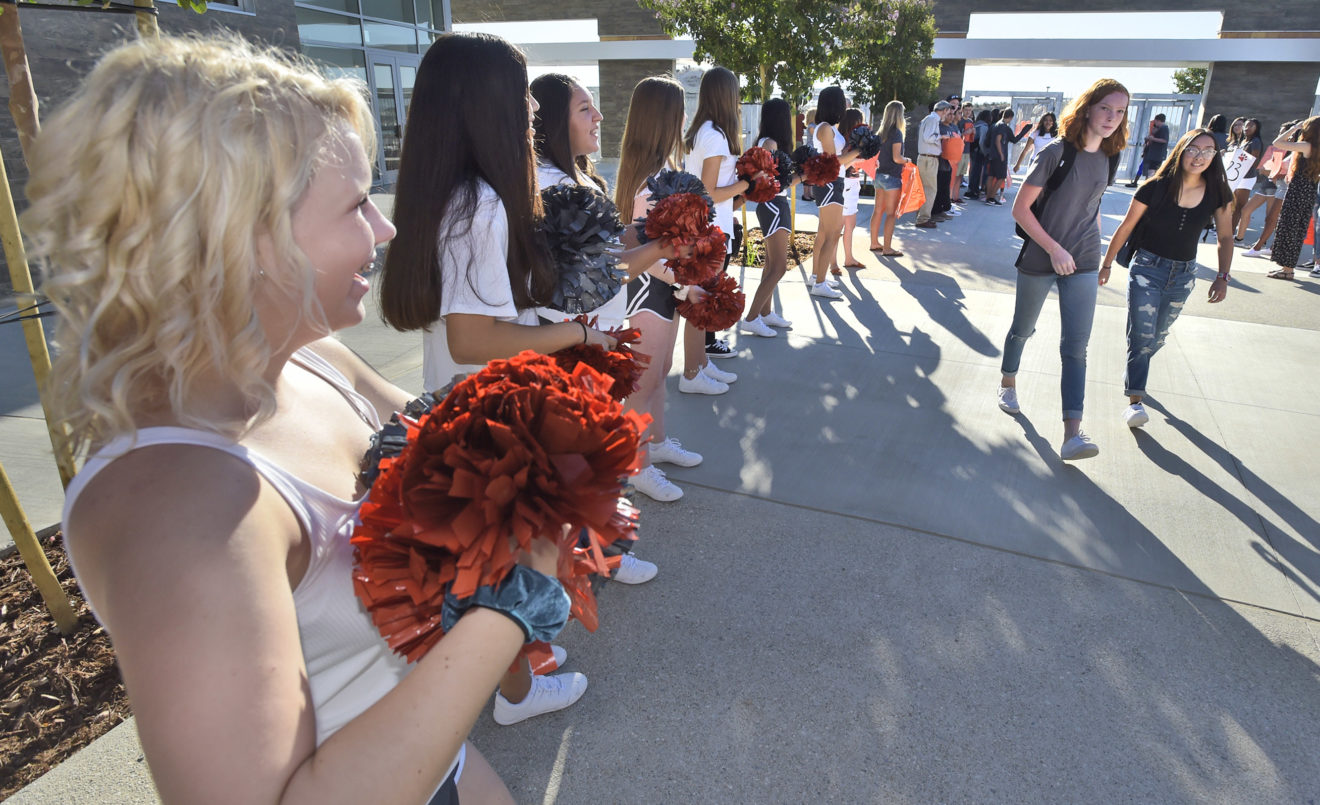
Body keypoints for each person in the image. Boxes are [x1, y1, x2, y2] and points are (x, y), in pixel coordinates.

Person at [28, 34, 559, 803]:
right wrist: (515, 607)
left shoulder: (311, 360)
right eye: (354, 205)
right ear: (238, 237)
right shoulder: (178, 510)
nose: (385, 230)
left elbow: (452, 460)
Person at [380, 33, 621, 727]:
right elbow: (475, 337)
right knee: (517, 559)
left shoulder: (445, 195)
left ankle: (510, 685)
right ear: (487, 106)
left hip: (460, 406)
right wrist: (578, 333)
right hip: (489, 413)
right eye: (520, 97)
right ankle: (514, 689)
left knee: (494, 558)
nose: (529, 111)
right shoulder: (483, 204)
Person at [997, 78, 1130, 461]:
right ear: (1088, 108)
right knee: (1023, 328)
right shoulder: (1056, 152)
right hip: (1042, 257)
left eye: (1119, 112)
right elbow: (1020, 209)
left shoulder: (1110, 156)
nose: (1112, 118)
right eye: (1106, 108)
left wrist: (1103, 258)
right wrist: (1054, 248)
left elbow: (1094, 206)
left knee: (1076, 347)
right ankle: (1008, 380)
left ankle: (1073, 432)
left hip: (1085, 259)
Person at [1100, 128, 1233, 428]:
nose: (1199, 157)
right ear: (1181, 150)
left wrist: (1223, 276)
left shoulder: (1218, 194)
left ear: (1215, 156)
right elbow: (1125, 227)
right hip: (1147, 268)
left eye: (1207, 151)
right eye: (1193, 149)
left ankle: (1136, 367)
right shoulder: (1154, 187)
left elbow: (1225, 236)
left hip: (1184, 274)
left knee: (1157, 336)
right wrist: (1106, 264)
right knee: (1141, 335)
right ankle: (1135, 401)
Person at [615, 75, 707, 500]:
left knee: (660, 375)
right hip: (647, 295)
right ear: (663, 119)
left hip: (667, 292)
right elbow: (642, 255)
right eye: (679, 109)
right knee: (643, 383)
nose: (686, 116)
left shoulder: (666, 173)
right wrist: (685, 284)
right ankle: (635, 467)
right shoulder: (647, 182)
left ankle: (657, 441)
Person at [684, 66, 755, 367]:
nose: (738, 100)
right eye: (736, 94)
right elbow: (709, 192)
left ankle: (704, 357)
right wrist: (746, 184)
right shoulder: (714, 136)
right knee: (704, 298)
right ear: (727, 96)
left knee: (705, 294)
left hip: (709, 225)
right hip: (711, 228)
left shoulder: (705, 131)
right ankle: (698, 366)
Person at [740, 97, 802, 338]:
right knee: (779, 267)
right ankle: (752, 317)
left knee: (770, 264)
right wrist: (804, 176)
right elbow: (770, 184)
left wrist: (804, 175)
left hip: (776, 204)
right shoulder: (770, 143)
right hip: (773, 205)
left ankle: (765, 313)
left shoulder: (769, 141)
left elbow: (781, 183)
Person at [807, 85, 859, 296]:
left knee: (823, 233)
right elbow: (831, 162)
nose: (845, 105)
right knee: (833, 233)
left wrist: (853, 156)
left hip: (833, 181)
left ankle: (816, 277)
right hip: (829, 183)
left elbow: (838, 163)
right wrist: (857, 151)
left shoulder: (830, 127)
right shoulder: (826, 128)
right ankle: (820, 283)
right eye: (843, 101)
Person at [1266, 116, 1319, 279]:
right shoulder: (1316, 148)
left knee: (1289, 228)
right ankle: (1287, 268)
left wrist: (1293, 128)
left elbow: (1277, 143)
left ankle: (1287, 269)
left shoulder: (1306, 146)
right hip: (1309, 190)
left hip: (1298, 191)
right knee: (1297, 229)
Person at [1241, 120, 1298, 256]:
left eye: (1285, 132)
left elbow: (1281, 171)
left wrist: (1274, 172)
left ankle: (1260, 247)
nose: (1282, 135)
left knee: (1273, 218)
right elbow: (1264, 169)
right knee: (1252, 212)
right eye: (1281, 132)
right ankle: (1263, 246)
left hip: (1281, 187)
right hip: (1272, 185)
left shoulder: (1296, 150)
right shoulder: (1278, 149)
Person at [867, 100, 911, 256]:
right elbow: (897, 158)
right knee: (891, 213)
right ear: (899, 115)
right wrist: (908, 160)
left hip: (878, 175)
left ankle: (874, 242)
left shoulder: (880, 133)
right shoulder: (896, 133)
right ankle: (887, 248)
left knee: (877, 210)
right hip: (892, 176)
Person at [837, 107, 868, 272]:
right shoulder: (846, 141)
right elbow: (841, 165)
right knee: (842, 225)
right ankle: (835, 262)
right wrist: (856, 161)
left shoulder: (850, 140)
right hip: (847, 183)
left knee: (850, 224)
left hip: (852, 183)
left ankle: (848, 258)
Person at [914, 100, 951, 228]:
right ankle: (923, 218)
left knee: (924, 189)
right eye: (948, 111)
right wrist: (941, 137)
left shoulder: (929, 119)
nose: (947, 115)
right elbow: (928, 137)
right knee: (930, 189)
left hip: (926, 158)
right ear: (944, 110)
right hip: (929, 159)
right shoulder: (932, 120)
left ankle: (921, 216)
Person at [1226, 118, 1264, 235]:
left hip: (1246, 177)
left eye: (1251, 126)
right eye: (1246, 126)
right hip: (1237, 176)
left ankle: (1231, 233)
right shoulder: (1243, 141)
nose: (1247, 128)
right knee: (1232, 204)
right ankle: (1228, 230)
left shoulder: (1255, 141)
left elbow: (1254, 161)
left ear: (1256, 128)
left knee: (1239, 206)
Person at [985, 108, 1026, 205]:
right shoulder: (1004, 127)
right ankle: (991, 197)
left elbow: (988, 141)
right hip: (999, 156)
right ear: (1011, 117)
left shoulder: (994, 125)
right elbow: (999, 140)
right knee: (1001, 177)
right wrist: (1001, 154)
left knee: (991, 176)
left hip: (991, 155)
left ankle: (988, 197)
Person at [1126, 113, 1169, 187]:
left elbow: (1165, 140)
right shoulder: (1157, 128)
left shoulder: (1164, 128)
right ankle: (1141, 183)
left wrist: (1153, 139)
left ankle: (1148, 185)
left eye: (1155, 121)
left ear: (1158, 120)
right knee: (1145, 169)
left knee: (1152, 171)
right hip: (1150, 153)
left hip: (1157, 155)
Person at [966, 109, 994, 200]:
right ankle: (973, 191)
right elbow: (982, 141)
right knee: (977, 171)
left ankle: (972, 189)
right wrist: (985, 152)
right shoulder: (984, 127)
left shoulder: (976, 124)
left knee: (973, 170)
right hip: (978, 151)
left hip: (972, 150)